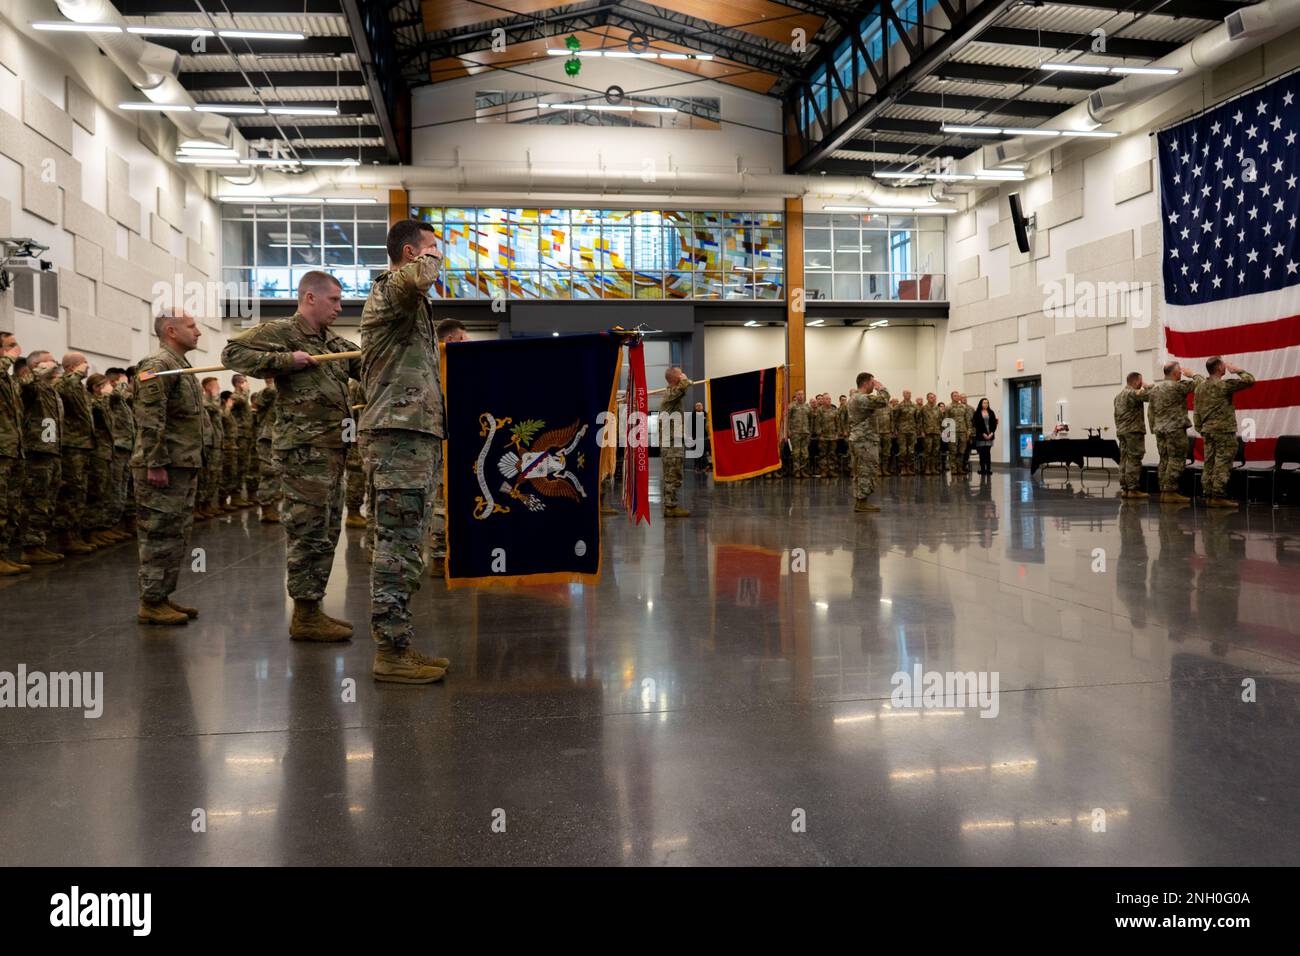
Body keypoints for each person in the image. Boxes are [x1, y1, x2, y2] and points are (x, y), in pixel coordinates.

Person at [223, 270, 362, 642]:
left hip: (333, 449)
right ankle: (304, 614)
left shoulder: (331, 340)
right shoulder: (283, 331)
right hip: (303, 451)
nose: (340, 306)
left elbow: (363, 363)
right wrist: (287, 361)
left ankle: (312, 608)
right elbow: (231, 352)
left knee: (328, 530)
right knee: (307, 531)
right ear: (310, 297)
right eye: (334, 299)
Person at [359, 218, 452, 683]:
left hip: (413, 436)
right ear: (412, 252)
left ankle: (400, 644)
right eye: (433, 247)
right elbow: (416, 277)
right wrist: (431, 255)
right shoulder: (392, 287)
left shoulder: (410, 302)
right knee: (396, 546)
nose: (441, 255)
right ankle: (390, 653)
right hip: (397, 437)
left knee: (408, 542)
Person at [133, 310, 212, 625]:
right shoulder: (158, 366)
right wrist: (155, 461)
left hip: (181, 464)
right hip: (164, 465)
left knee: (175, 534)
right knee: (158, 534)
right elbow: (150, 418)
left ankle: (161, 596)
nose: (199, 332)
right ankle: (150, 601)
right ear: (171, 331)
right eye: (192, 327)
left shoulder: (180, 366)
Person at [429, 317, 471, 566]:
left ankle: (446, 551)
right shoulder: (437, 366)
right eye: (465, 339)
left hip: (455, 442)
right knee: (442, 499)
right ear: (451, 340)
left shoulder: (456, 367)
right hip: (440, 443)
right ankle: (438, 556)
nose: (469, 344)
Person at [16, 351, 64, 565]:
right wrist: (35, 373)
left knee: (47, 500)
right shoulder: (32, 386)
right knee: (35, 500)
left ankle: (39, 543)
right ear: (36, 365)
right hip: (36, 452)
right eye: (49, 360)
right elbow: (23, 386)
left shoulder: (49, 390)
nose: (54, 363)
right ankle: (30, 546)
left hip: (52, 451)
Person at [1193, 356, 1255, 508]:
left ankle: (1208, 494)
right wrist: (1238, 370)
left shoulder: (1200, 387)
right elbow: (1250, 381)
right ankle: (1218, 496)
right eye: (1224, 365)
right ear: (1220, 368)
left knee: (1209, 462)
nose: (1226, 367)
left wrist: (1200, 428)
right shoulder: (1223, 385)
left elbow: (1196, 410)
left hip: (1207, 430)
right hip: (1223, 431)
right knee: (1223, 462)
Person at [53, 352, 96, 555]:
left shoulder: (81, 388)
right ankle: (66, 537)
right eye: (83, 363)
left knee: (80, 492)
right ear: (71, 367)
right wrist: (72, 374)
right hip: (72, 447)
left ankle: (75, 534)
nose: (87, 366)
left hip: (84, 445)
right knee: (71, 492)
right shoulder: (65, 383)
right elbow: (65, 389)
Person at [1147, 361, 1201, 503]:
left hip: (1160, 430)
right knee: (1176, 459)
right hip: (1174, 429)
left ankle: (1164, 491)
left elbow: (1150, 412)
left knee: (1164, 459)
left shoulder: (1154, 390)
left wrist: (1154, 427)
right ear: (1176, 373)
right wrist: (1192, 374)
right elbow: (1202, 384)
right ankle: (1170, 491)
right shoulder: (1178, 386)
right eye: (1179, 371)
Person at [0, 331, 28, 575]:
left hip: (13, 448)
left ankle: (3, 553)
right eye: (10, 345)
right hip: (2, 449)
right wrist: (8, 359)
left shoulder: (9, 381)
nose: (17, 349)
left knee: (11, 504)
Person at [83, 374, 119, 546]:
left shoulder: (103, 403)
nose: (111, 388)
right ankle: (89, 531)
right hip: (97, 452)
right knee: (96, 492)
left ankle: (98, 529)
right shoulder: (93, 402)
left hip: (106, 451)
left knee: (105, 492)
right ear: (97, 388)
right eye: (106, 385)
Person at [848, 373, 890, 512]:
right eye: (873, 382)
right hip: (864, 441)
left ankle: (861, 501)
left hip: (860, 439)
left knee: (860, 471)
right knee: (866, 470)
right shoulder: (861, 398)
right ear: (866, 383)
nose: (874, 384)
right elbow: (883, 401)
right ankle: (862, 502)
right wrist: (881, 388)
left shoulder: (855, 397)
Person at [1113, 371, 1151, 498]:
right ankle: (1133, 489)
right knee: (1134, 459)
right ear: (1136, 381)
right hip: (1133, 432)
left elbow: (1116, 416)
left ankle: (1125, 488)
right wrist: (1147, 386)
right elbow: (1150, 396)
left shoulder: (1118, 396)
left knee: (1124, 459)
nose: (1141, 383)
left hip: (1122, 431)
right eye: (1140, 381)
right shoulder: (1133, 393)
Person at [660, 366, 691, 516]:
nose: (683, 375)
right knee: (672, 475)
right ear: (676, 378)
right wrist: (684, 380)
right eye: (681, 373)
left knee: (674, 474)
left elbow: (681, 390)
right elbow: (681, 389)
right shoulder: (670, 394)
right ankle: (670, 508)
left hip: (674, 441)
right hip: (671, 443)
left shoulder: (672, 394)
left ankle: (671, 506)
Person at [252, 379, 280, 522]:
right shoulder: (267, 392)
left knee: (277, 473)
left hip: (280, 436)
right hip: (268, 437)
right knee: (269, 473)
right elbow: (265, 396)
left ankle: (271, 505)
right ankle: (267, 508)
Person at [197, 376, 224, 519]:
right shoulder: (203, 400)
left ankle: (207, 504)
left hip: (215, 442)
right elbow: (214, 408)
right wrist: (215, 395)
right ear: (207, 387)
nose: (218, 388)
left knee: (213, 474)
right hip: (206, 443)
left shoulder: (213, 400)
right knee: (203, 475)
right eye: (215, 386)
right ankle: (197, 506)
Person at [786, 389, 811, 478]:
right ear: (796, 396)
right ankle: (796, 471)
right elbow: (787, 419)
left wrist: (809, 431)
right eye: (799, 394)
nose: (800, 396)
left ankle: (803, 470)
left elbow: (810, 419)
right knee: (796, 453)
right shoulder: (791, 406)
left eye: (802, 394)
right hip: (795, 433)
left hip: (805, 432)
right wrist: (788, 430)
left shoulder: (808, 407)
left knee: (804, 453)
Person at [893, 390, 917, 476]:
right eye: (906, 394)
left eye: (909, 394)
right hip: (902, 431)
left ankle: (909, 468)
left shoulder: (914, 406)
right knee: (903, 451)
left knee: (911, 451)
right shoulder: (899, 406)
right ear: (903, 395)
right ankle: (902, 468)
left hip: (912, 431)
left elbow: (917, 419)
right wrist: (895, 429)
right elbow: (895, 419)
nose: (908, 395)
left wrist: (918, 429)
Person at [973, 398, 998, 476]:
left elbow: (994, 424)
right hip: (981, 435)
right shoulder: (977, 413)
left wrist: (991, 433)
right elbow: (976, 425)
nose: (985, 404)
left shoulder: (991, 412)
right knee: (982, 453)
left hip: (990, 435)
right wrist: (983, 433)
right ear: (981, 404)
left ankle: (988, 468)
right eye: (984, 403)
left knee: (987, 452)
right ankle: (982, 468)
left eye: (987, 403)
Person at [948, 391, 970, 477]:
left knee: (961, 451)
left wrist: (968, 430)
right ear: (951, 397)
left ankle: (960, 468)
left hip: (962, 431)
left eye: (957, 396)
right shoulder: (948, 407)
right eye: (954, 396)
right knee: (953, 451)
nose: (956, 397)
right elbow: (946, 420)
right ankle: (953, 468)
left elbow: (967, 419)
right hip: (952, 432)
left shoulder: (963, 407)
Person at [920, 392, 942, 476]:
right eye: (931, 397)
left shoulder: (937, 408)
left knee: (935, 451)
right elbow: (920, 421)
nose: (933, 399)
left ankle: (933, 468)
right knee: (927, 451)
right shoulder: (924, 408)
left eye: (934, 397)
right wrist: (922, 431)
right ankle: (927, 468)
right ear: (927, 398)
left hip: (936, 432)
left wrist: (940, 431)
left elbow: (941, 420)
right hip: (927, 432)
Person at [875, 398, 895, 477]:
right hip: (877, 432)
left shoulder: (889, 408)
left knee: (886, 452)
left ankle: (885, 469)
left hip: (887, 432)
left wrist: (892, 430)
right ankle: (878, 469)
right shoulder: (875, 408)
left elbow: (892, 420)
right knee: (878, 452)